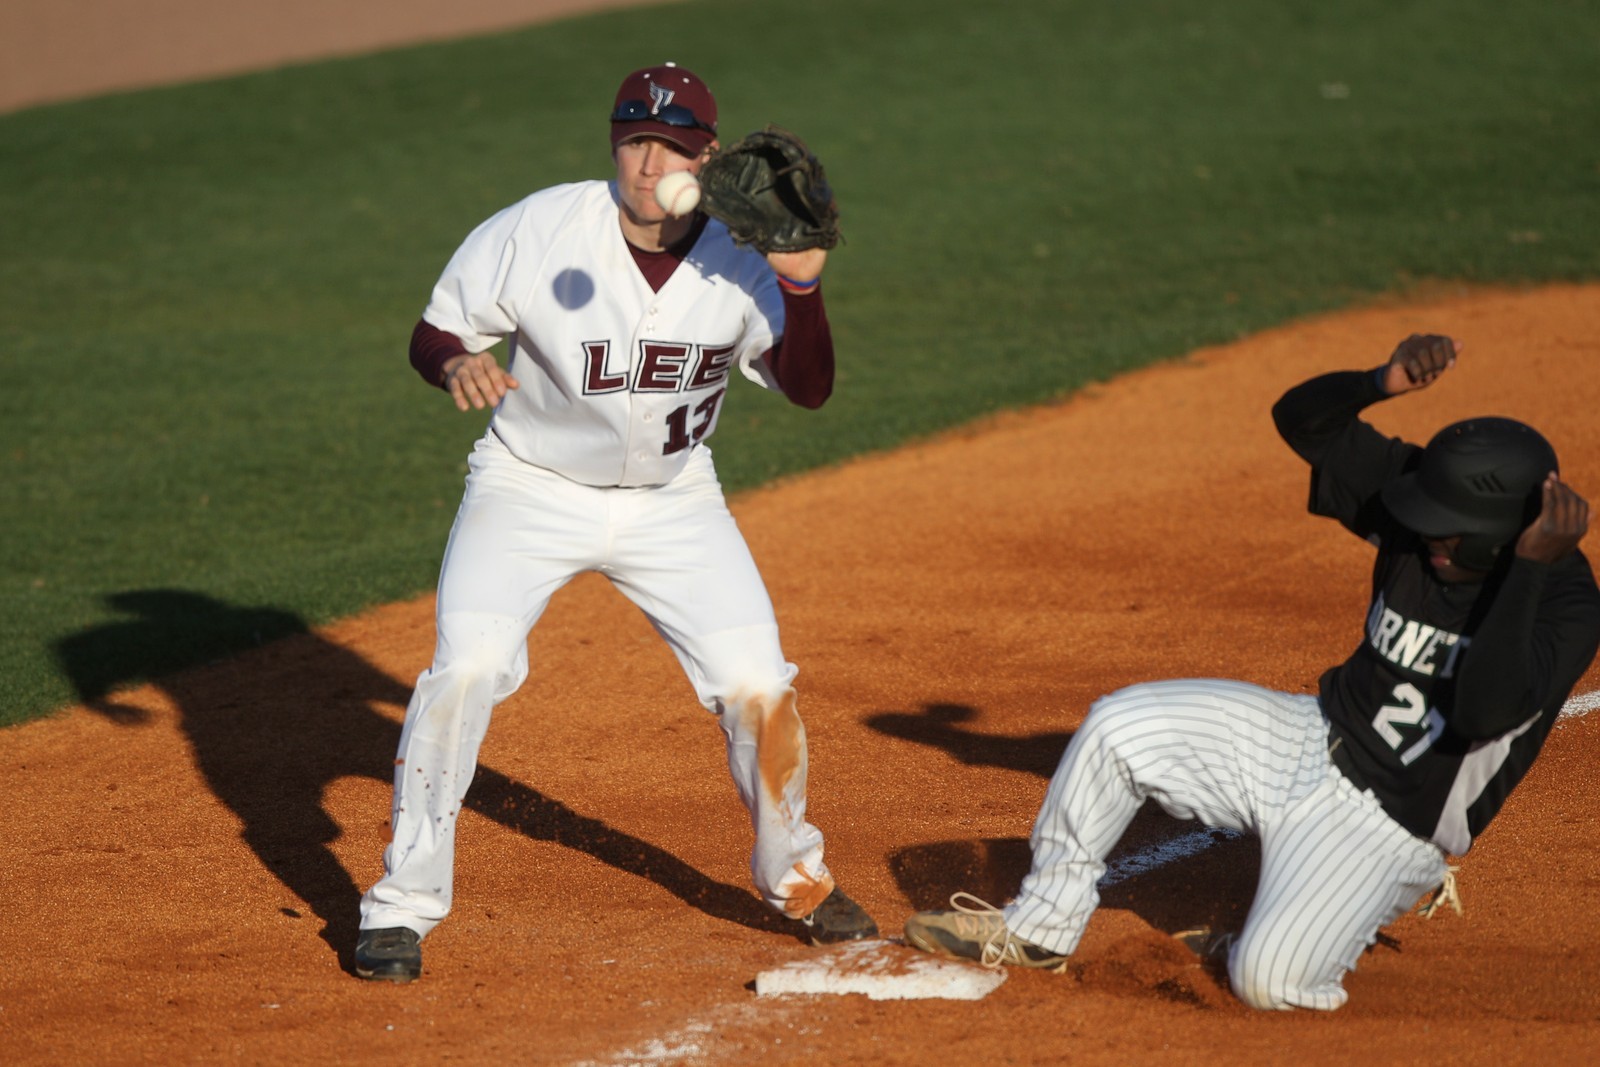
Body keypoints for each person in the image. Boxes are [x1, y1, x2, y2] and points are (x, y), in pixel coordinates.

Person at [354, 62, 877, 983]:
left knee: (759, 684)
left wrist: (801, 288)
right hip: (528, 489)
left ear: (706, 157)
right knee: (465, 671)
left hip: (674, 504)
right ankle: (401, 905)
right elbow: (436, 328)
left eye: (672, 146)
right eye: (636, 139)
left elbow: (809, 388)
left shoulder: (746, 252)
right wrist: (455, 367)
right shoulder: (542, 225)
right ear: (614, 143)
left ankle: (798, 878)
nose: (649, 163)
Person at [902, 334, 1599, 1010]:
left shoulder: (1565, 607)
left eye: (1448, 529)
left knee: (1268, 984)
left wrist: (1529, 572)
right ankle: (1039, 925)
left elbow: (1483, 710)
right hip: (1309, 736)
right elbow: (1300, 421)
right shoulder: (1426, 517)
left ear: (1506, 531)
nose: (1428, 536)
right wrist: (1379, 383)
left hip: (1390, 825)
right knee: (1119, 726)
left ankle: (1281, 931)